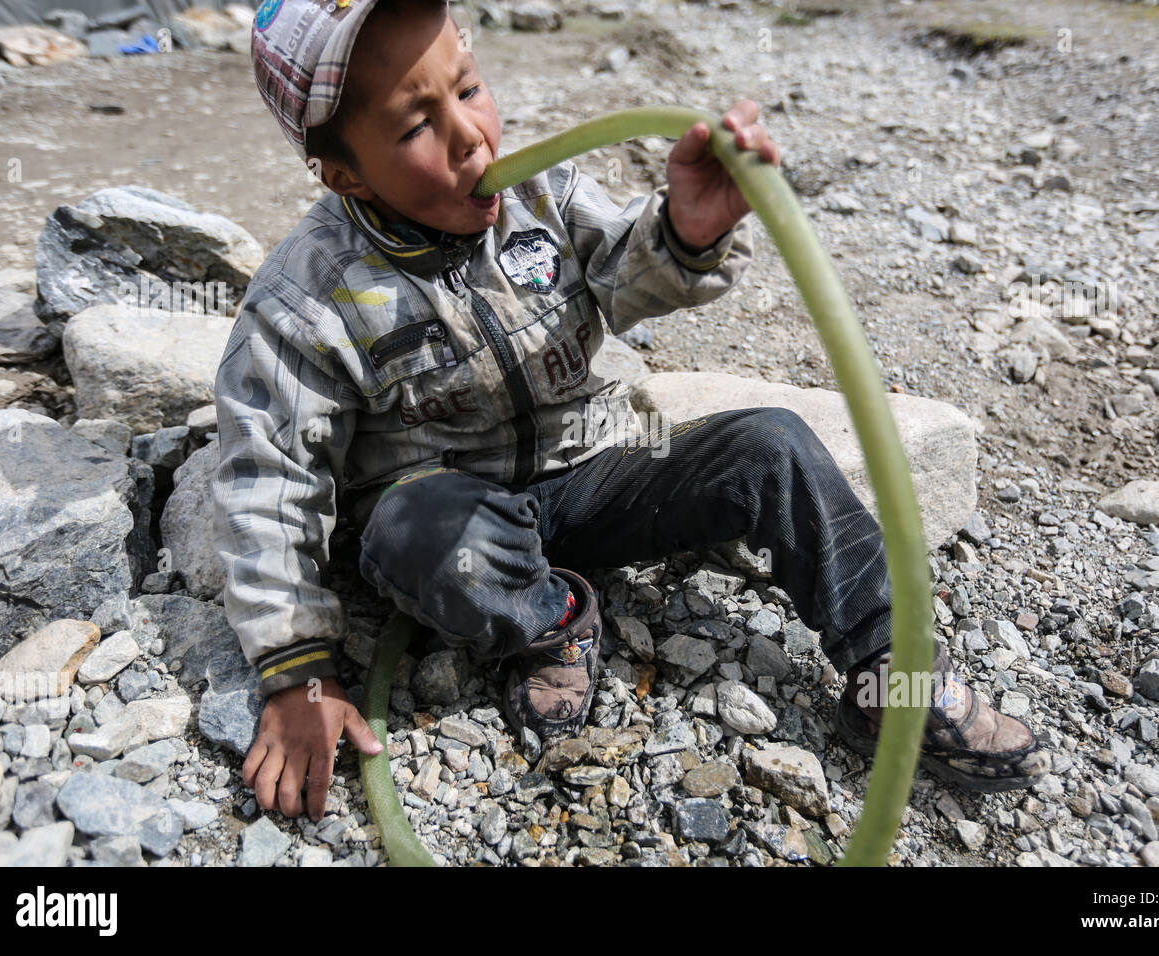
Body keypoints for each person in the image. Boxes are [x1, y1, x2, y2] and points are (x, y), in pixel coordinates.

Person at [217, 0, 1048, 823]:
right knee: (417, 535)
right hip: (457, 516)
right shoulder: (306, 294)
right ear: (345, 173)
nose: (470, 136)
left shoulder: (544, 194)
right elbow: (270, 480)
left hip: (593, 472)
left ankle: (892, 676)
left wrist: (685, 233)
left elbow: (627, 272)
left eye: (467, 89)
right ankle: (550, 622)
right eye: (414, 128)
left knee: (772, 444)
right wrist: (298, 675)